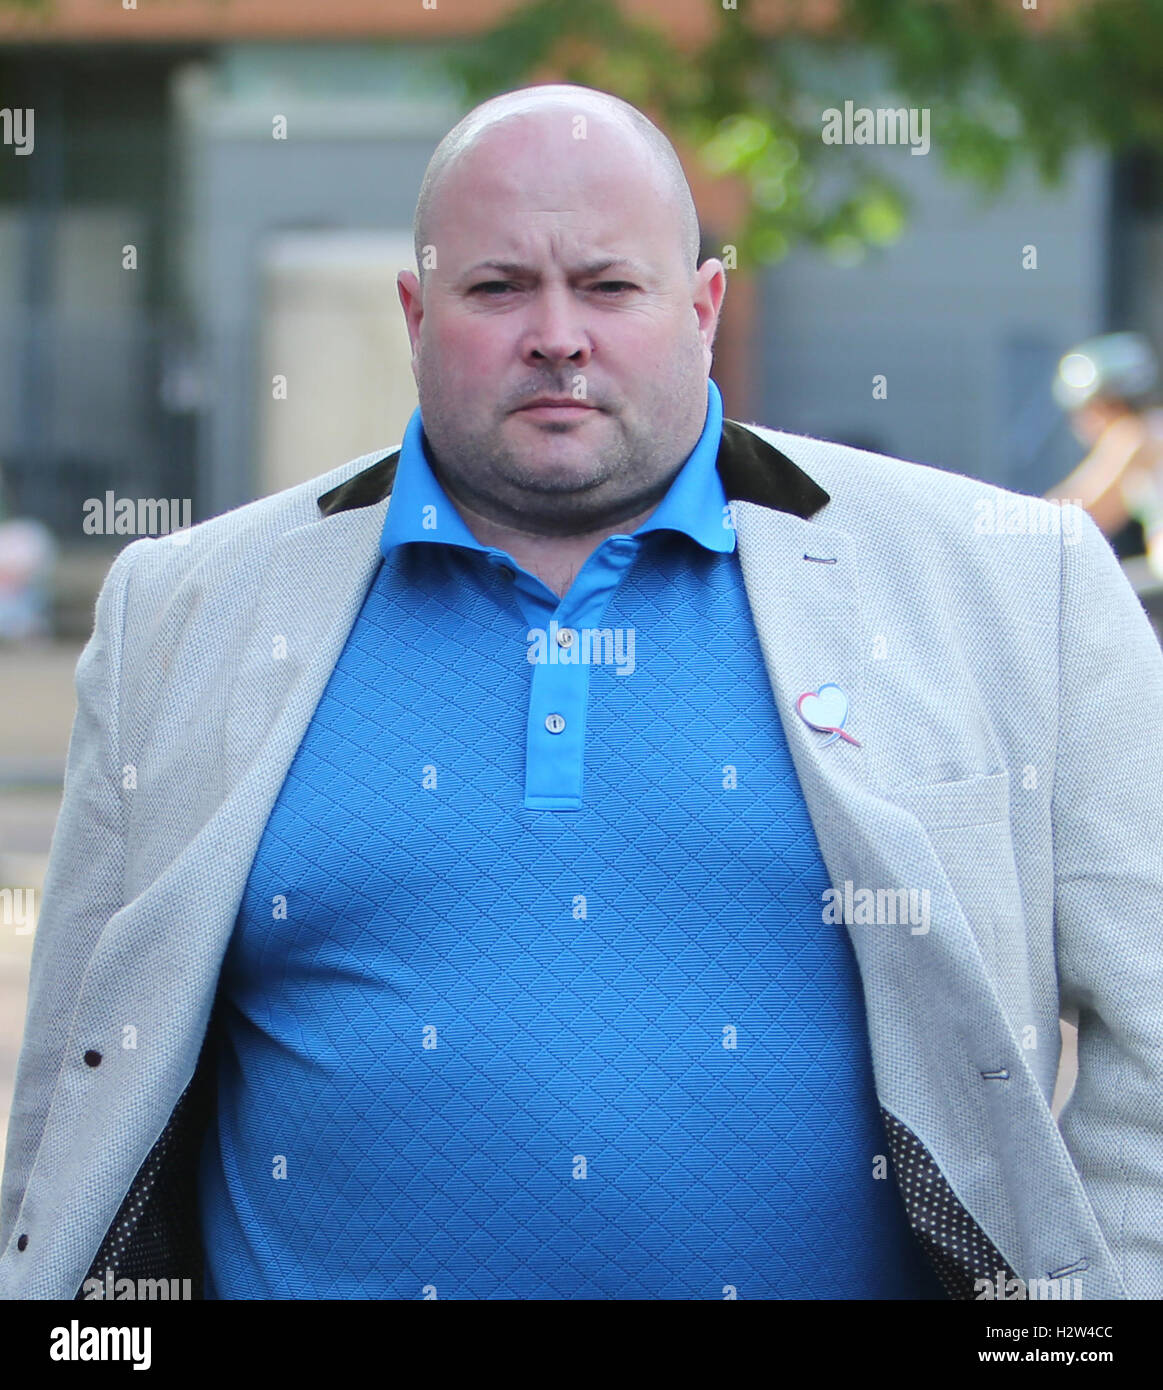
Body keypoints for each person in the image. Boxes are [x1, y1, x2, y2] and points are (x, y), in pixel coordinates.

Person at [2, 83, 1162, 1303]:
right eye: (497, 287)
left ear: (702, 307)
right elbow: (70, 1112)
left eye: (609, 287)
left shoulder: (1008, 585)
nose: (556, 333)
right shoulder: (177, 615)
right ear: (415, 312)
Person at [1046, 331, 1163, 575]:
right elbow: (1101, 517)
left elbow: (1070, 517)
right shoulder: (1151, 434)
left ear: (1103, 405)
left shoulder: (1133, 437)